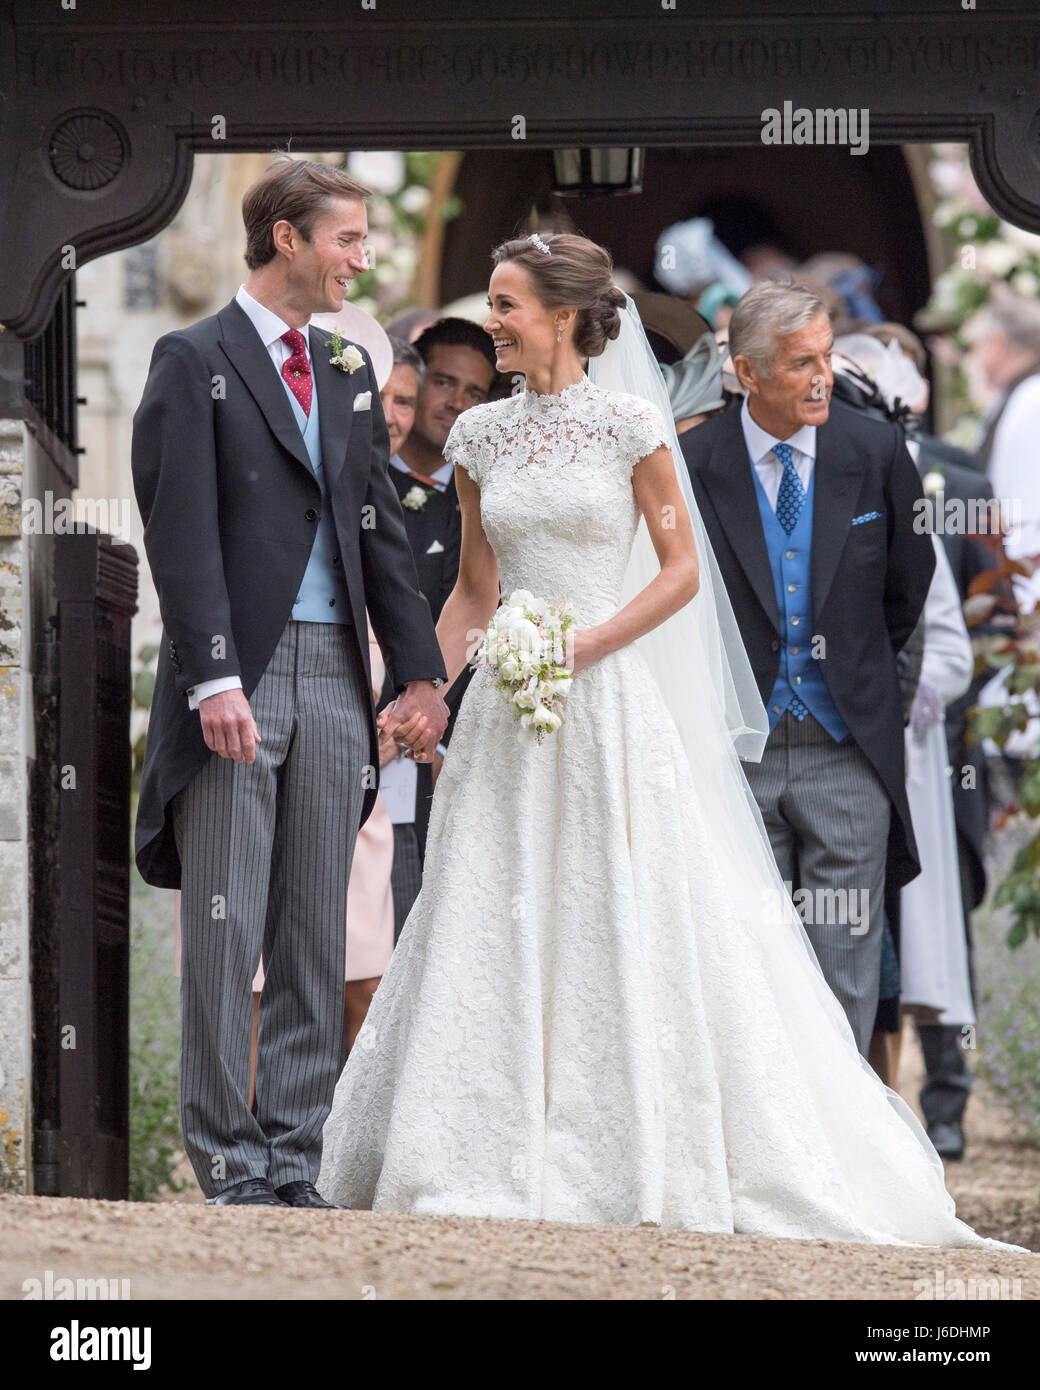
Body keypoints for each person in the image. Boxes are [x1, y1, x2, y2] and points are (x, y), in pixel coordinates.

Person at [318, 232, 1018, 1250]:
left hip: (607, 708)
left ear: (561, 315)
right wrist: (426, 687)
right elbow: (474, 592)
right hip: (510, 722)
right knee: (491, 912)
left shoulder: (629, 425)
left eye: (507, 304)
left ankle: (635, 1139)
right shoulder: (477, 441)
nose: (493, 320)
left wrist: (583, 643)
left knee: (622, 913)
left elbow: (679, 572)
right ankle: (479, 1143)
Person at [131, 156, 449, 1209]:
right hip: (240, 676)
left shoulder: (350, 372)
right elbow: (178, 534)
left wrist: (415, 673)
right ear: (287, 240)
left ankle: (290, 1159)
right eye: (348, 239)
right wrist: (210, 676)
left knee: (316, 928)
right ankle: (226, 1166)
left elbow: (383, 538)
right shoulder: (191, 358)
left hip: (338, 682)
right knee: (227, 932)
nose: (364, 258)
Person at [680, 281, 935, 1059]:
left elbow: (907, 589)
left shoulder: (875, 450)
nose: (823, 376)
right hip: (735, 754)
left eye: (826, 358)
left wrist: (867, 697)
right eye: (800, 364)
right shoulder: (692, 461)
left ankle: (848, 1163)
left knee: (847, 970)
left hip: (844, 752)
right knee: (743, 964)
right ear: (748, 374)